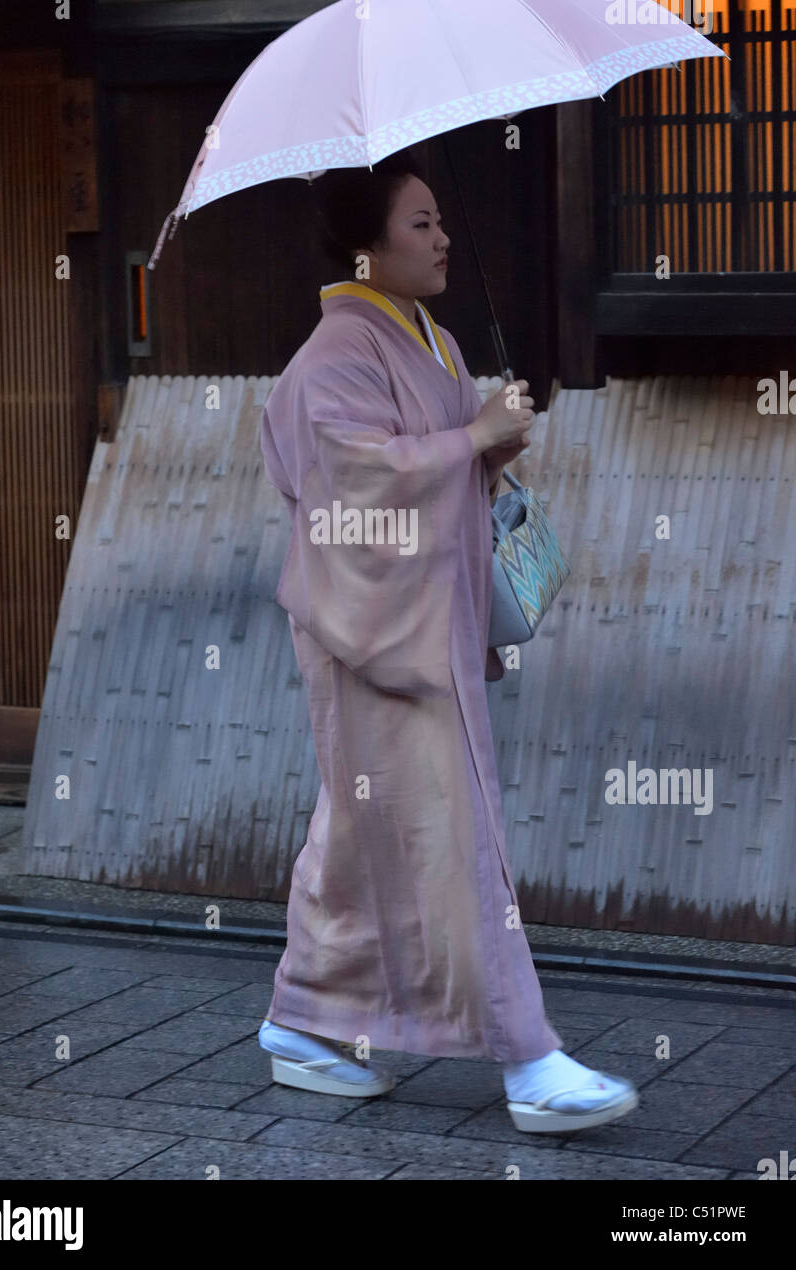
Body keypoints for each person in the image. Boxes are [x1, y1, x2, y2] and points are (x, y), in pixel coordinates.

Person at [257, 149, 637, 1133]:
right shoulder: (333, 356)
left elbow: (432, 467)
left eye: (438, 218)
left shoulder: (426, 335)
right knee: (450, 830)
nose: (442, 237)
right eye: (419, 222)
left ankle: (303, 1015)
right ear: (365, 245)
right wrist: (469, 440)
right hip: (376, 638)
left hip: (421, 626)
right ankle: (528, 1055)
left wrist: (492, 440)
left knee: (361, 830)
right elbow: (354, 491)